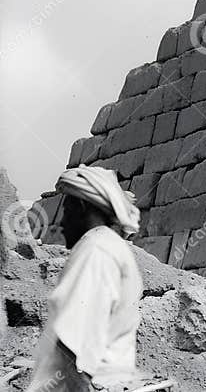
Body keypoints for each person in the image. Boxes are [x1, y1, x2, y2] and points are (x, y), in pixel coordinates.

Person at [29, 165, 143, 391]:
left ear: (82, 207)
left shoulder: (96, 251)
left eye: (66, 211)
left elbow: (75, 352)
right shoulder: (110, 246)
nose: (61, 224)